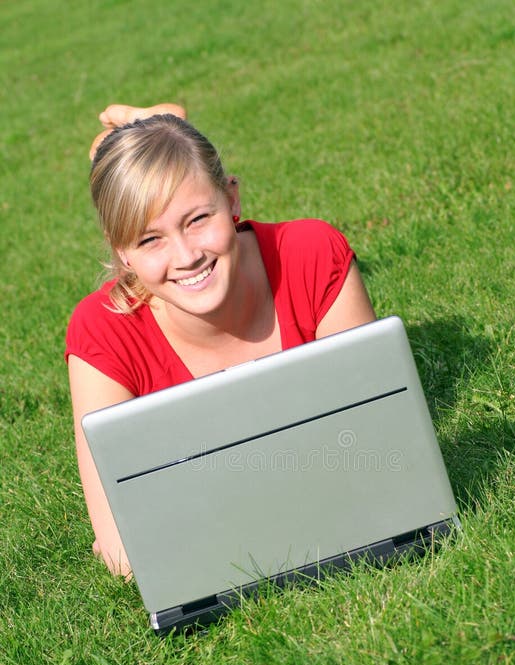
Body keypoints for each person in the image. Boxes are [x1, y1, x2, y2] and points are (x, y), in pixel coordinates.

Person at [66, 104, 376, 576]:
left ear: (232, 200)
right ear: (121, 252)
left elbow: (377, 447)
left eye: (197, 219)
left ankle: (151, 131)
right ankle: (145, 133)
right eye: (149, 240)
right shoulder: (103, 330)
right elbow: (120, 550)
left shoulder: (311, 256)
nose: (187, 256)